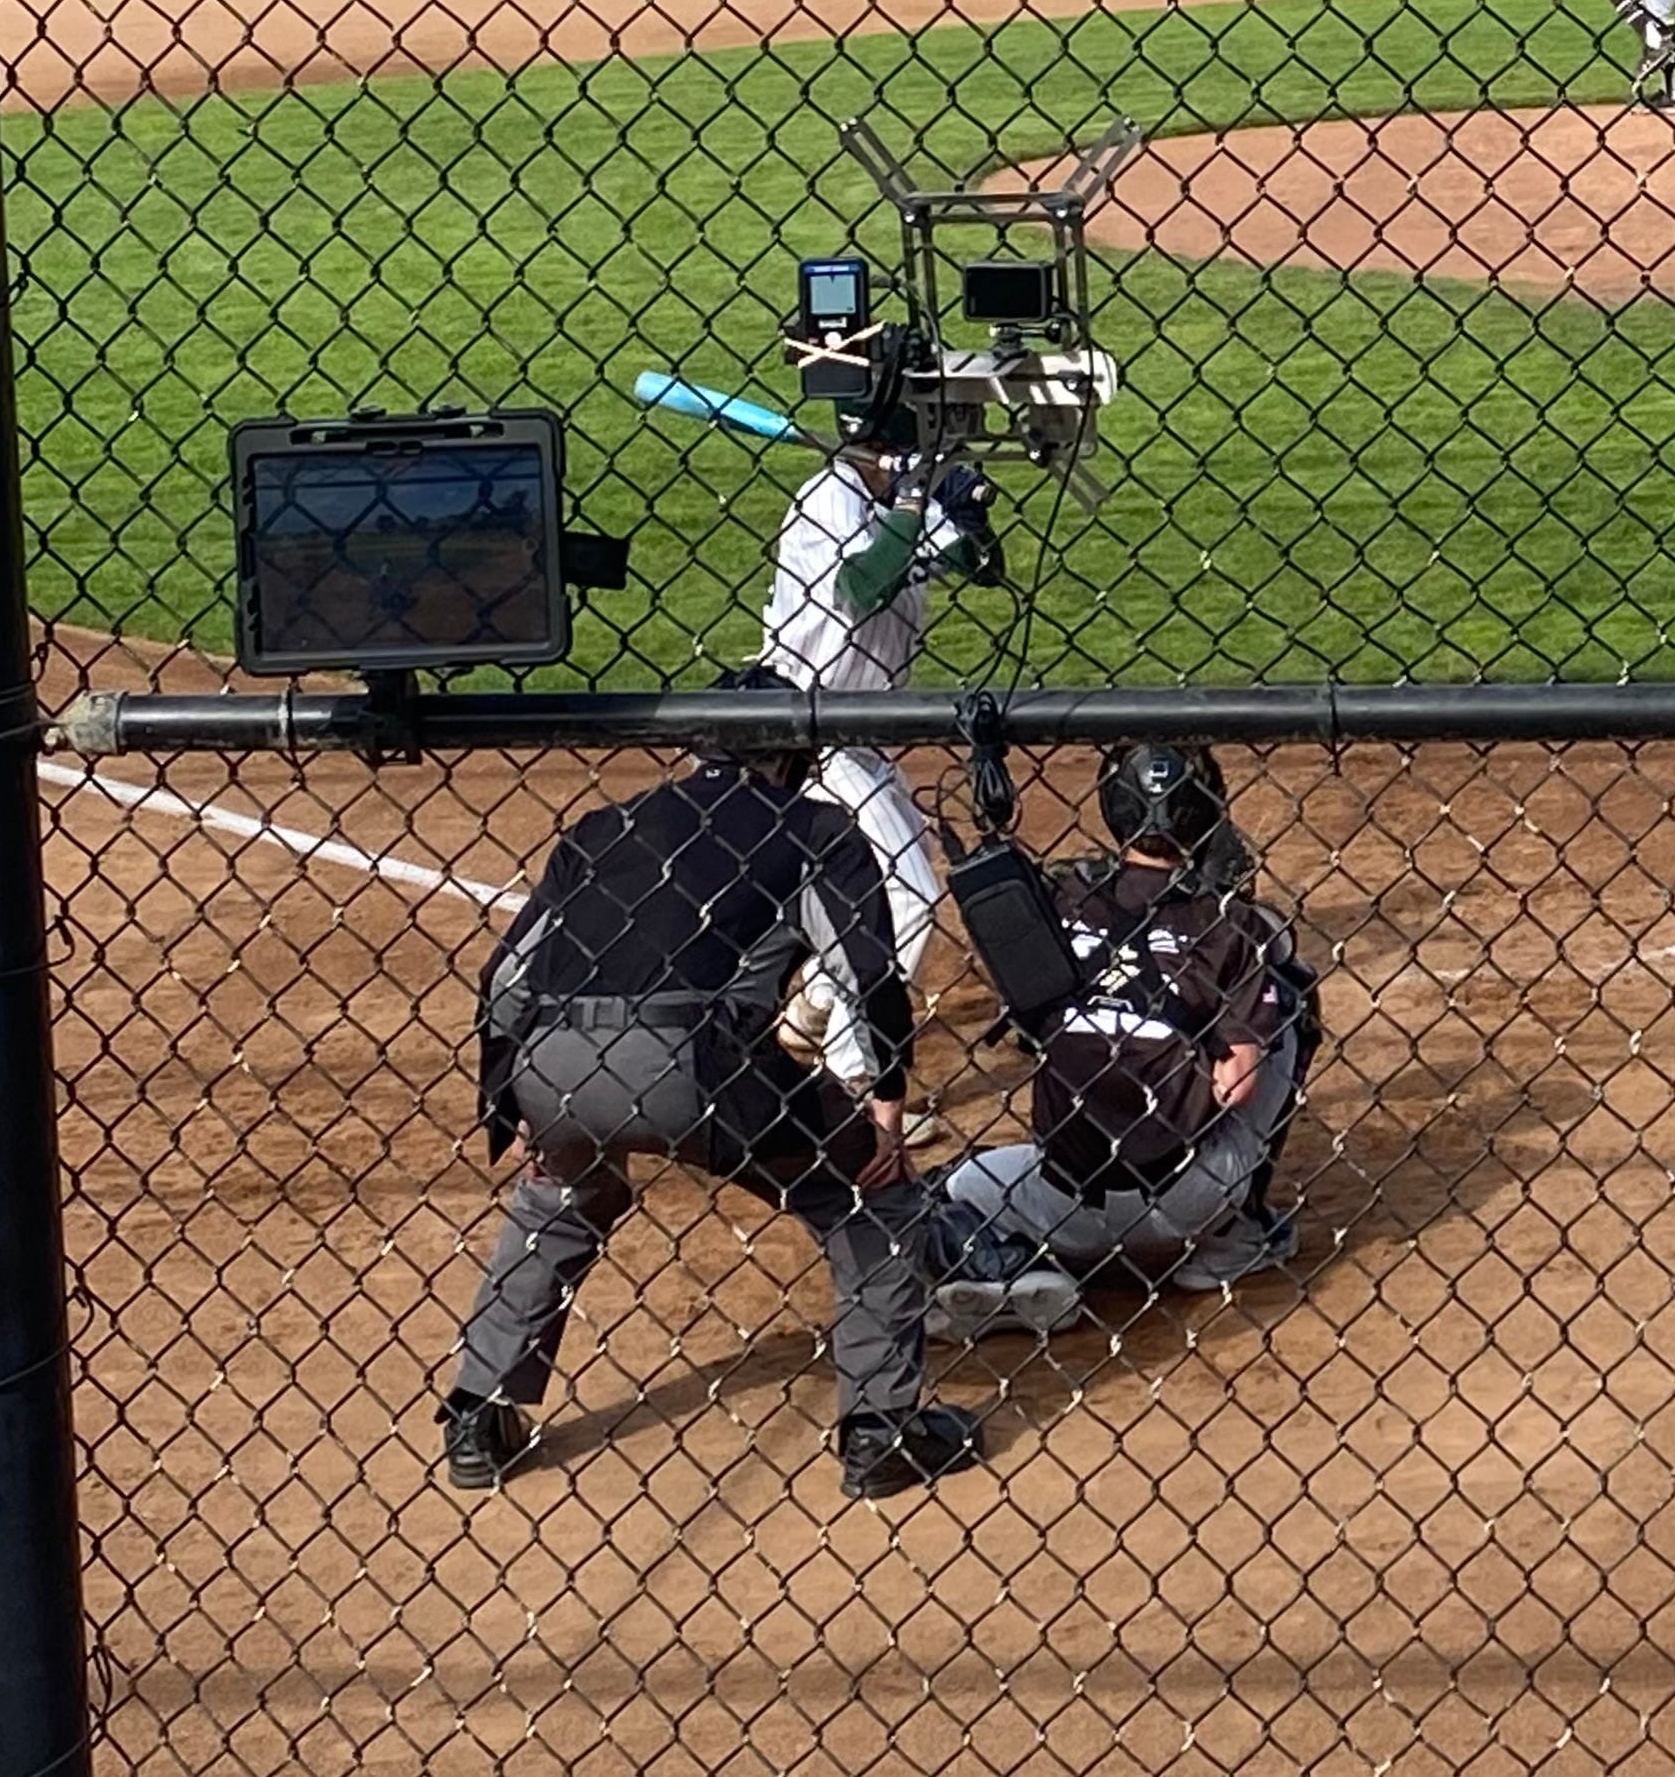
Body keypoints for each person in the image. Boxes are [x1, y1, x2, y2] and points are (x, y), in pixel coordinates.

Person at [441, 679, 985, 1501]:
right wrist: (884, 1103)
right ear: (792, 751)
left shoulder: (597, 828)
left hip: (551, 1063)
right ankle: (880, 1434)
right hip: (696, 1066)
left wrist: (508, 1104)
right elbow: (867, 970)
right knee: (877, 1208)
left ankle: (478, 1416)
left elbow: (505, 980)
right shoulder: (813, 828)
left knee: (560, 1192)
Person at [925, 742, 1318, 1342]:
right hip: (1191, 1197)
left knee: (954, 1186)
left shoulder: (1059, 901)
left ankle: (1005, 1267)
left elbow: (1031, 1020)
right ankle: (1239, 1234)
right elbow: (1237, 1086)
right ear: (1207, 813)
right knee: (1290, 997)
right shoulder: (1228, 927)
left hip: (1062, 1202)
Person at [760, 407, 998, 1128]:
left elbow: (985, 570)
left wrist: (966, 515)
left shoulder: (898, 499)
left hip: (857, 736)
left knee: (880, 895)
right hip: (800, 733)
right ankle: (852, 1083)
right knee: (906, 898)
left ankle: (815, 1002)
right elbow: (860, 586)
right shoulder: (827, 499)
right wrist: (909, 505)